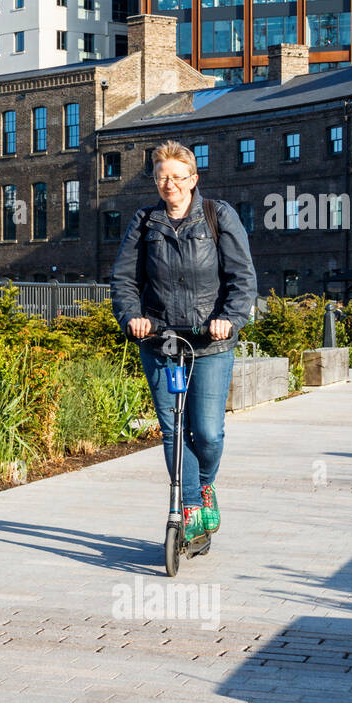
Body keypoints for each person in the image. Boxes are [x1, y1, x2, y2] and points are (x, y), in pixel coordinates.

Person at [110, 140, 258, 543]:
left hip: (209, 343)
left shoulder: (217, 216)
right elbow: (123, 280)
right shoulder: (144, 222)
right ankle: (189, 505)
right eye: (161, 178)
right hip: (161, 342)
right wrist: (132, 318)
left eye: (177, 177)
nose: (169, 185)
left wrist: (228, 320)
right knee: (174, 429)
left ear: (193, 179)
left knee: (207, 432)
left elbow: (242, 279)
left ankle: (205, 486)